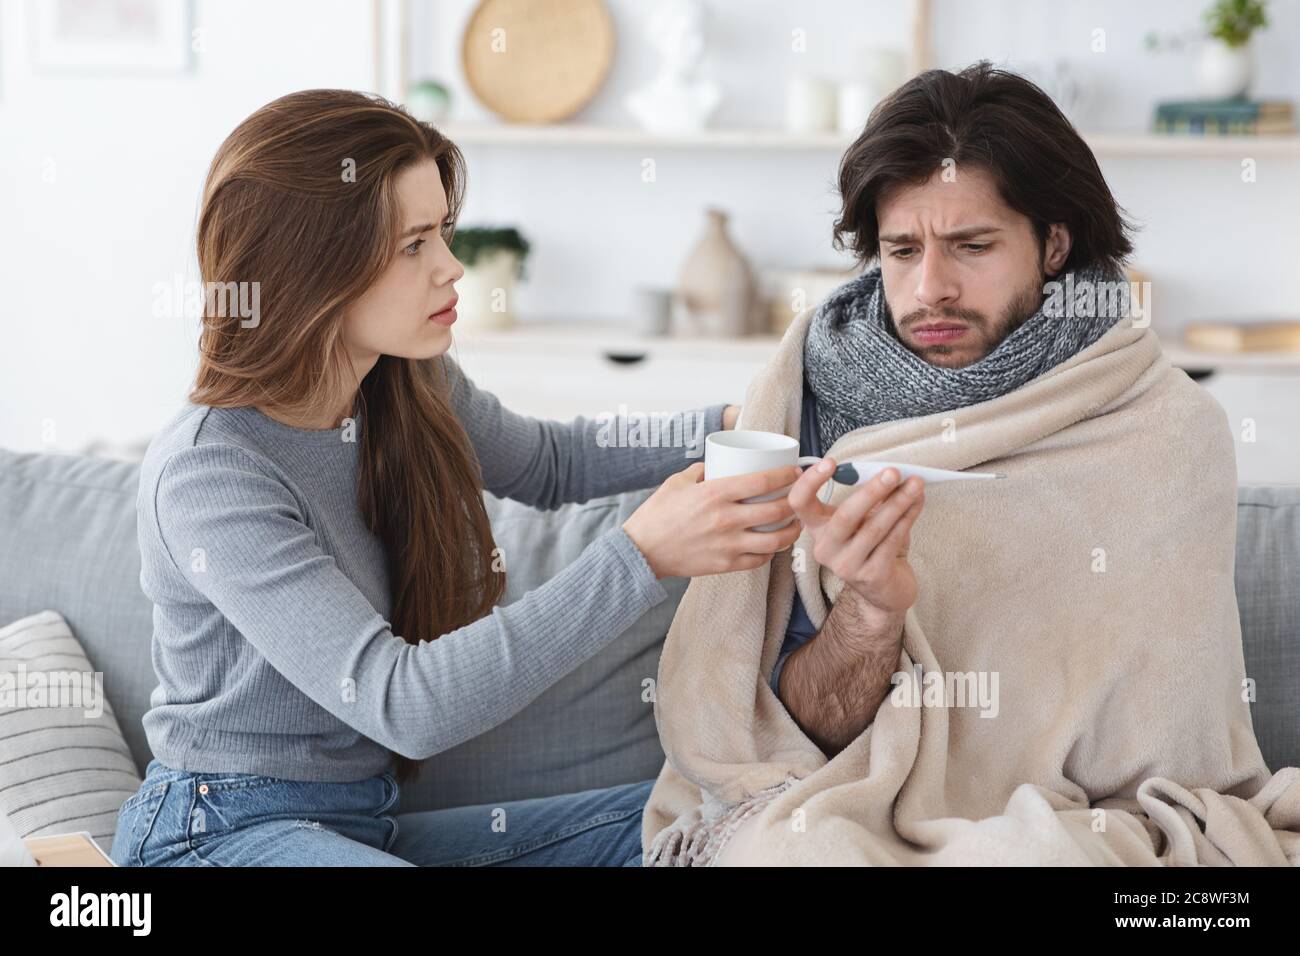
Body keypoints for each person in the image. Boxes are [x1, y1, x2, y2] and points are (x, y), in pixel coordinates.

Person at [110, 88, 802, 867]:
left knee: (723, 820)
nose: (451, 268)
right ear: (310, 265)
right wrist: (639, 556)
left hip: (363, 828)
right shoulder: (212, 472)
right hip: (217, 834)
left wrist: (737, 421)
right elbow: (401, 702)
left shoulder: (405, 383)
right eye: (413, 245)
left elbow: (550, 462)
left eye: (443, 232)